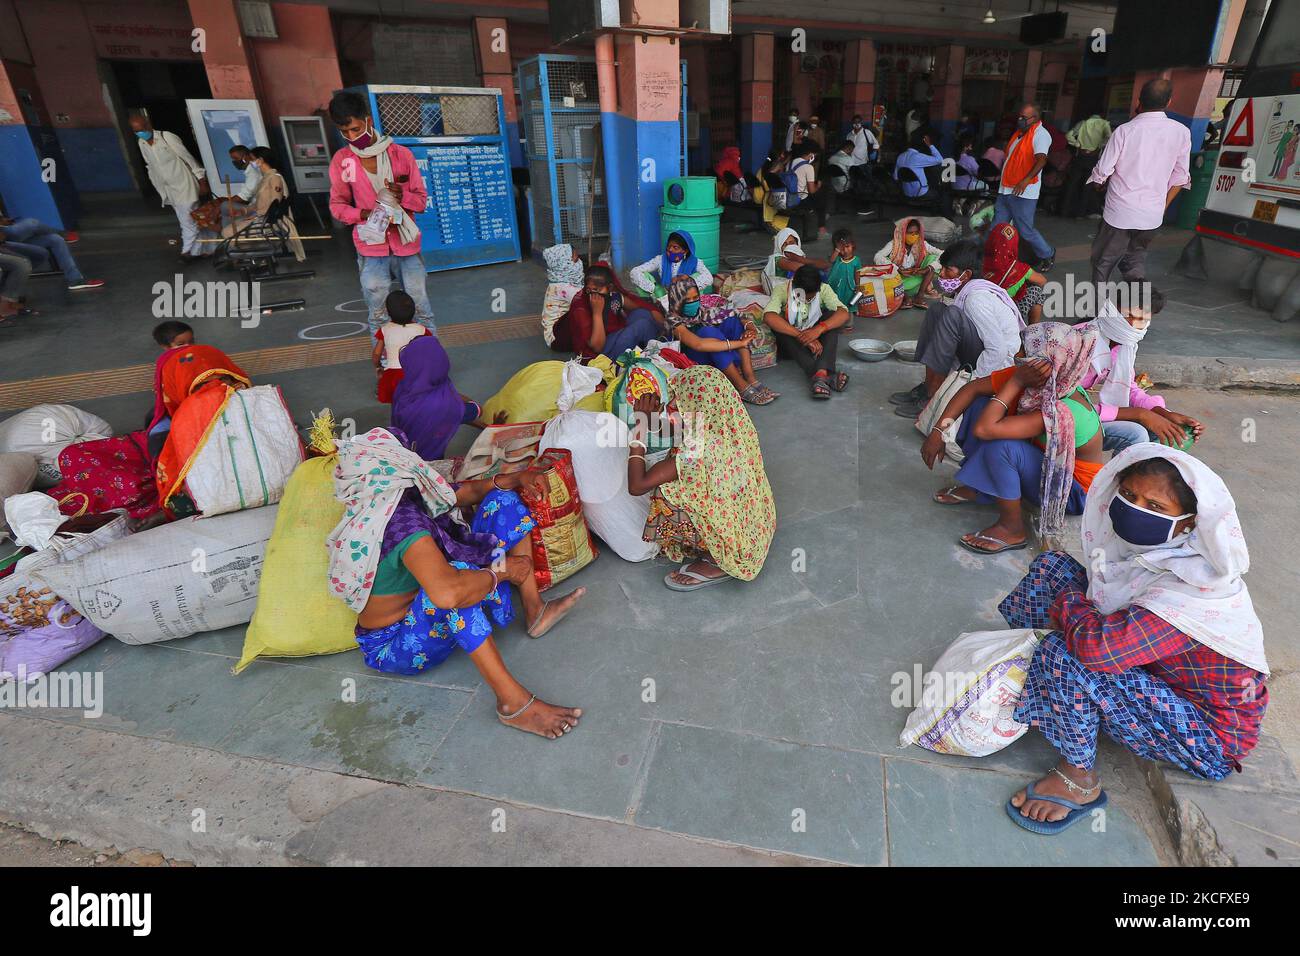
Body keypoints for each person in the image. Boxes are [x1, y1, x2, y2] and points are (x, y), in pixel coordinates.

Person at [1001, 447, 1268, 832]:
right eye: (1128, 496)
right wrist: (1075, 604)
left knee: (1069, 653)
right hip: (1158, 678)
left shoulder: (1195, 588)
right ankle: (1051, 693)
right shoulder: (1151, 554)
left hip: (1203, 736)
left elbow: (1096, 649)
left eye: (1155, 506)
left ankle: (1079, 781)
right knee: (1051, 569)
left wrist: (1073, 603)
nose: (1135, 508)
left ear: (1189, 524)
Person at [328, 427, 585, 738]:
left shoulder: (398, 492)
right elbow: (447, 594)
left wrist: (518, 478)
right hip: (396, 645)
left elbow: (467, 492)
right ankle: (513, 704)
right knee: (450, 587)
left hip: (427, 608)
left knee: (502, 500)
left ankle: (535, 610)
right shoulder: (400, 522)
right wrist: (502, 572)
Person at [922, 322, 1104, 555]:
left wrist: (1016, 382)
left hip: (1068, 491)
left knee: (1003, 447)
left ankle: (1012, 528)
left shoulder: (1064, 408)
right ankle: (982, 488)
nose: (1017, 356)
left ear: (1047, 365)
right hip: (1046, 466)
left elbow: (985, 430)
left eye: (1025, 353)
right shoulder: (1046, 379)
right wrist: (939, 430)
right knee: (980, 404)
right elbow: (973, 388)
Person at [626, 366, 776, 590]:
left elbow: (637, 486)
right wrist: (652, 420)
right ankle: (722, 543)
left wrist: (638, 431)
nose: (671, 405)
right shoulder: (728, 425)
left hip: (730, 537)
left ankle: (717, 560)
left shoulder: (692, 454)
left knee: (663, 493)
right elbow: (677, 432)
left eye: (678, 401)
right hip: (750, 526)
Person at [327, 90, 435, 339]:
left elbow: (420, 201)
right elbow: (337, 205)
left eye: (355, 129)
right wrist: (362, 213)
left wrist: (402, 197)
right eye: (344, 132)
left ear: (368, 120)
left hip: (406, 244)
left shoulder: (401, 155)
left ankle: (430, 358)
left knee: (420, 307)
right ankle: (387, 363)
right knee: (378, 313)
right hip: (371, 247)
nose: (351, 137)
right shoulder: (343, 161)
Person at [890, 238, 1024, 418]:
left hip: (999, 364)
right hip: (981, 352)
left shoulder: (976, 299)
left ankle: (934, 395)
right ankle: (928, 386)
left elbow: (997, 350)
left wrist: (969, 387)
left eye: (948, 270)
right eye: (942, 268)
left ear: (966, 275)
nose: (942, 274)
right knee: (937, 310)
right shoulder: (967, 292)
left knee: (952, 315)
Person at [1087, 79, 1191, 286]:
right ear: (1169, 102)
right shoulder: (1181, 132)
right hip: (1150, 215)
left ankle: (1096, 314)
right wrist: (1163, 206)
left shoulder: (1125, 131)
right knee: (1135, 262)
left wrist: (1097, 183)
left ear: (1138, 100)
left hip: (1119, 213)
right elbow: (1181, 178)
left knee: (1103, 263)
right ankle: (1133, 313)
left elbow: (1103, 171)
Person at [1081, 291, 1203, 454]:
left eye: (1141, 319)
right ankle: (1116, 478)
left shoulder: (1124, 347)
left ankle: (1136, 477)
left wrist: (1163, 413)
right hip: (1055, 419)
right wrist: (1139, 414)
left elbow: (1130, 389)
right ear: (1111, 310)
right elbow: (1064, 406)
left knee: (1162, 428)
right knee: (1135, 434)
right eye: (1128, 315)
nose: (1131, 324)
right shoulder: (1077, 342)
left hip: (1080, 412)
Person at [153, 344, 254, 515]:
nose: (214, 388)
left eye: (222, 379)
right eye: (202, 385)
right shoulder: (172, 427)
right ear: (178, 387)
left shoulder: (256, 403)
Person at [664, 275, 774, 404]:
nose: (693, 302)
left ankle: (750, 378)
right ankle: (741, 386)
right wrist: (739, 343)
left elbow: (735, 312)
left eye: (695, 298)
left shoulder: (702, 311)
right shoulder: (672, 320)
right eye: (687, 300)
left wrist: (749, 327)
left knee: (733, 322)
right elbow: (698, 344)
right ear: (677, 300)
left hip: (714, 356)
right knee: (708, 332)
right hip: (692, 363)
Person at [130, 111, 211, 263]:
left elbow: (188, 158)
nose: (140, 133)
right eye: (135, 131)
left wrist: (202, 180)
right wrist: (156, 184)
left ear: (148, 125)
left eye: (141, 128)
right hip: (169, 189)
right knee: (190, 218)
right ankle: (206, 249)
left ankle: (187, 251)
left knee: (187, 218)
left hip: (184, 184)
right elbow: (150, 166)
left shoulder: (167, 137)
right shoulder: (142, 143)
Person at [762, 264, 851, 399]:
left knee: (831, 317)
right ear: (795, 286)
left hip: (816, 341)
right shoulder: (782, 290)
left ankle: (820, 376)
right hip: (791, 345)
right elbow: (769, 316)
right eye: (803, 296)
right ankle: (825, 374)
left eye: (811, 297)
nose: (807, 300)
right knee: (780, 326)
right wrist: (801, 335)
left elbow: (844, 313)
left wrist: (819, 329)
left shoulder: (823, 289)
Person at [390, 335, 481, 461]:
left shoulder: (403, 387)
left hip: (402, 451)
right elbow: (477, 410)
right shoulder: (446, 405)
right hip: (430, 458)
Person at [550, 264, 664, 360]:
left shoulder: (613, 298)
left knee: (642, 314)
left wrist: (652, 311)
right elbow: (597, 347)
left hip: (615, 337)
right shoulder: (581, 307)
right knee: (642, 325)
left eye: (597, 290)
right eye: (589, 290)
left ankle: (656, 349)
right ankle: (654, 356)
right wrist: (597, 313)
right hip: (600, 355)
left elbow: (637, 306)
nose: (593, 295)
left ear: (609, 288)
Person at [992, 102, 1056, 272]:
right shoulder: (1019, 134)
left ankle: (1047, 254)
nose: (1019, 119)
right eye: (1019, 116)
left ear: (1035, 118)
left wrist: (1026, 179)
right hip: (1006, 189)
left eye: (1023, 117)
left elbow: (1041, 159)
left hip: (1024, 192)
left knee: (1025, 230)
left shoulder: (1041, 135)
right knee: (997, 226)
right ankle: (993, 256)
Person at [223, 147, 305, 262]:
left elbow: (274, 206)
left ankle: (256, 259)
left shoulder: (275, 178)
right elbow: (259, 203)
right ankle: (255, 258)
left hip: (271, 222)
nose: (250, 162)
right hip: (263, 218)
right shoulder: (266, 178)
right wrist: (243, 211)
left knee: (229, 232)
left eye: (252, 159)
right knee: (230, 228)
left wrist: (256, 215)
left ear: (260, 160)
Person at [0, 215, 103, 291]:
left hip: (6, 236)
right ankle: (62, 233)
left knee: (55, 239)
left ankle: (75, 279)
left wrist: (4, 221)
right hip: (4, 240)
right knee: (31, 223)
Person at [373, 290, 432, 403]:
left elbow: (376, 354)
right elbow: (430, 352)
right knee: (418, 401)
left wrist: (378, 367)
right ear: (414, 311)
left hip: (393, 375)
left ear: (388, 313)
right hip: (417, 374)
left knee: (396, 402)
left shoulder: (385, 330)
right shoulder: (422, 330)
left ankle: (399, 419)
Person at [982, 223, 1048, 324]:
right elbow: (1042, 281)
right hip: (1007, 316)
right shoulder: (1018, 268)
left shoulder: (979, 260)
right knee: (1038, 291)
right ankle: (1033, 331)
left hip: (981, 311)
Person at [629, 230, 713, 307]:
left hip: (685, 299)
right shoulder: (660, 260)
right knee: (641, 274)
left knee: (697, 276)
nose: (670, 250)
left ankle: (691, 308)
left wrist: (681, 287)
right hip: (663, 296)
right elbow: (635, 272)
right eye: (669, 246)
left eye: (675, 247)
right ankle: (652, 305)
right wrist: (654, 288)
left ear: (685, 251)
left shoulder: (695, 262)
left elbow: (709, 278)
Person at [874, 217, 942, 309]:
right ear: (902, 232)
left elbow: (943, 254)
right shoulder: (893, 244)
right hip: (897, 281)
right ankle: (905, 297)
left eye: (916, 233)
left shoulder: (922, 244)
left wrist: (927, 268)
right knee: (884, 265)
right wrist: (897, 269)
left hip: (915, 279)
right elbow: (877, 256)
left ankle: (919, 296)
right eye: (910, 233)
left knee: (932, 258)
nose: (914, 236)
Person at [1061, 112, 1112, 218]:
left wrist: (1077, 144)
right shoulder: (1104, 124)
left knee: (1072, 184)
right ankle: (1080, 212)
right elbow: (1109, 138)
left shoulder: (1083, 123)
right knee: (1087, 186)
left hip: (1080, 155)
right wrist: (1100, 145)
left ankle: (1064, 211)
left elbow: (1068, 135)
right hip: (1093, 157)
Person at [788, 141, 830, 239]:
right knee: (821, 199)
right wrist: (818, 185)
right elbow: (812, 190)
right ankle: (822, 230)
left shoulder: (792, 162)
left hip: (789, 196)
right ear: (811, 154)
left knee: (818, 198)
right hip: (800, 200)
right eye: (815, 155)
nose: (815, 157)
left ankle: (816, 213)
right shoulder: (808, 167)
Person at [763, 226, 827, 288]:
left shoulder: (799, 255)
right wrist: (797, 258)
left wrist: (798, 258)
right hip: (782, 291)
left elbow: (825, 265)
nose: (789, 247)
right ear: (779, 247)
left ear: (797, 243)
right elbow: (800, 268)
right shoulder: (778, 259)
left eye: (791, 243)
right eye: (785, 244)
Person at [894, 130, 944, 198]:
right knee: (941, 194)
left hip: (906, 192)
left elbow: (896, 177)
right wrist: (930, 145)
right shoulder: (918, 157)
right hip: (920, 193)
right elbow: (940, 159)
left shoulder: (900, 156)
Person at [827, 228, 861, 319]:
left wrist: (858, 285)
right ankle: (836, 319)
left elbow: (857, 273)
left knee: (849, 303)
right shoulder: (837, 258)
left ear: (853, 245)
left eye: (847, 246)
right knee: (836, 303)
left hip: (849, 287)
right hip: (836, 286)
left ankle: (849, 322)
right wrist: (837, 250)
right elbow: (831, 260)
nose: (845, 251)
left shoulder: (856, 260)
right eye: (841, 248)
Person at [227, 145, 263, 209]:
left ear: (245, 157)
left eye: (236, 158)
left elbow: (243, 197)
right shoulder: (251, 170)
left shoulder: (253, 172)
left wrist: (222, 205)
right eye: (233, 159)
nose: (234, 162)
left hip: (258, 208)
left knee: (224, 206)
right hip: (254, 206)